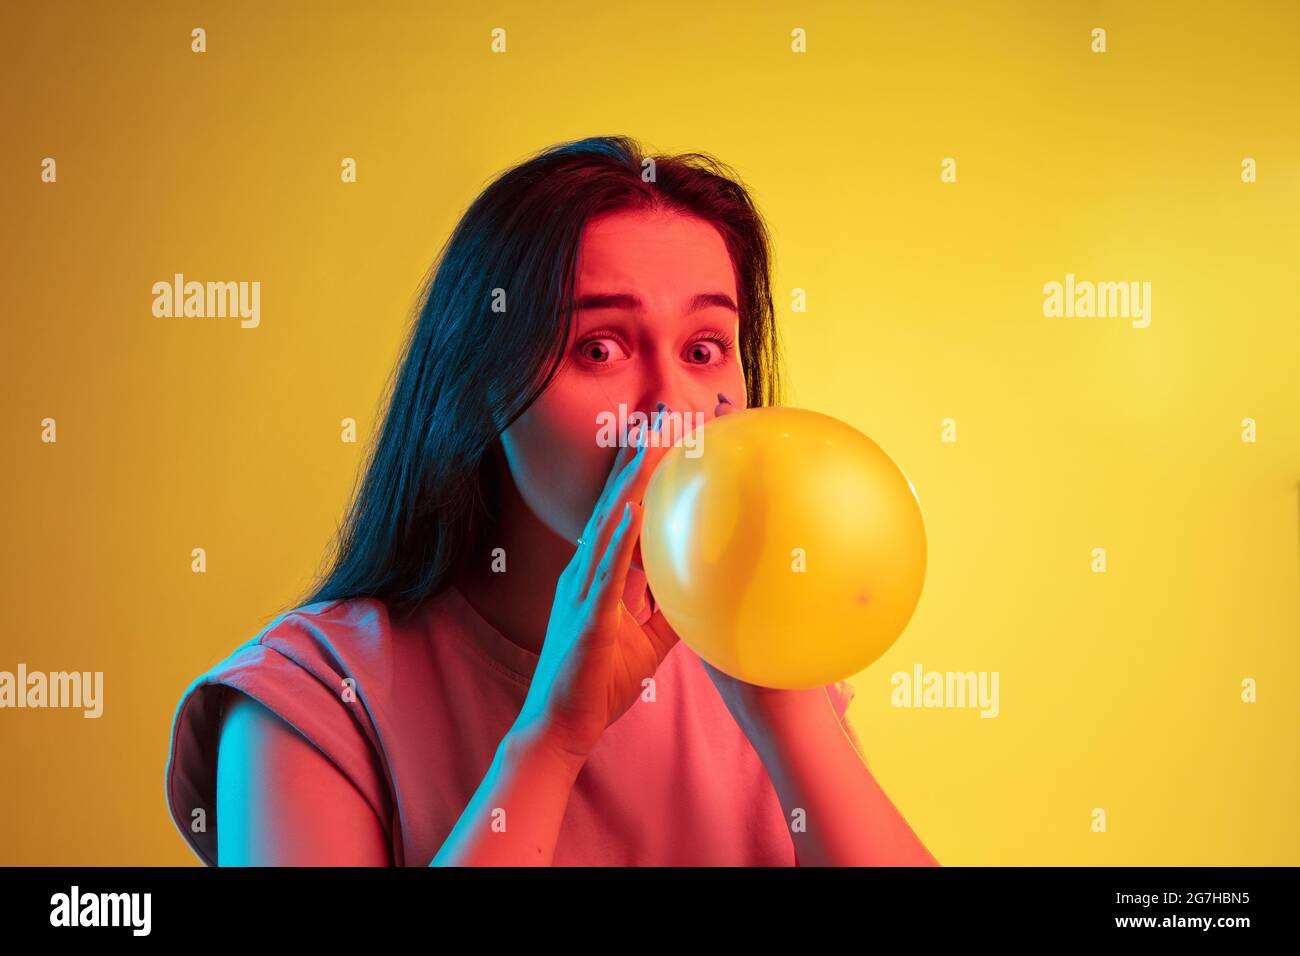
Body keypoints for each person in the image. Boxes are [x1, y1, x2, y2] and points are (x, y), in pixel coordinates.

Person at [163, 135, 939, 866]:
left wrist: (788, 710)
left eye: (704, 350)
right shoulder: (308, 703)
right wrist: (554, 736)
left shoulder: (767, 663)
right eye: (600, 348)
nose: (671, 410)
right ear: (481, 388)